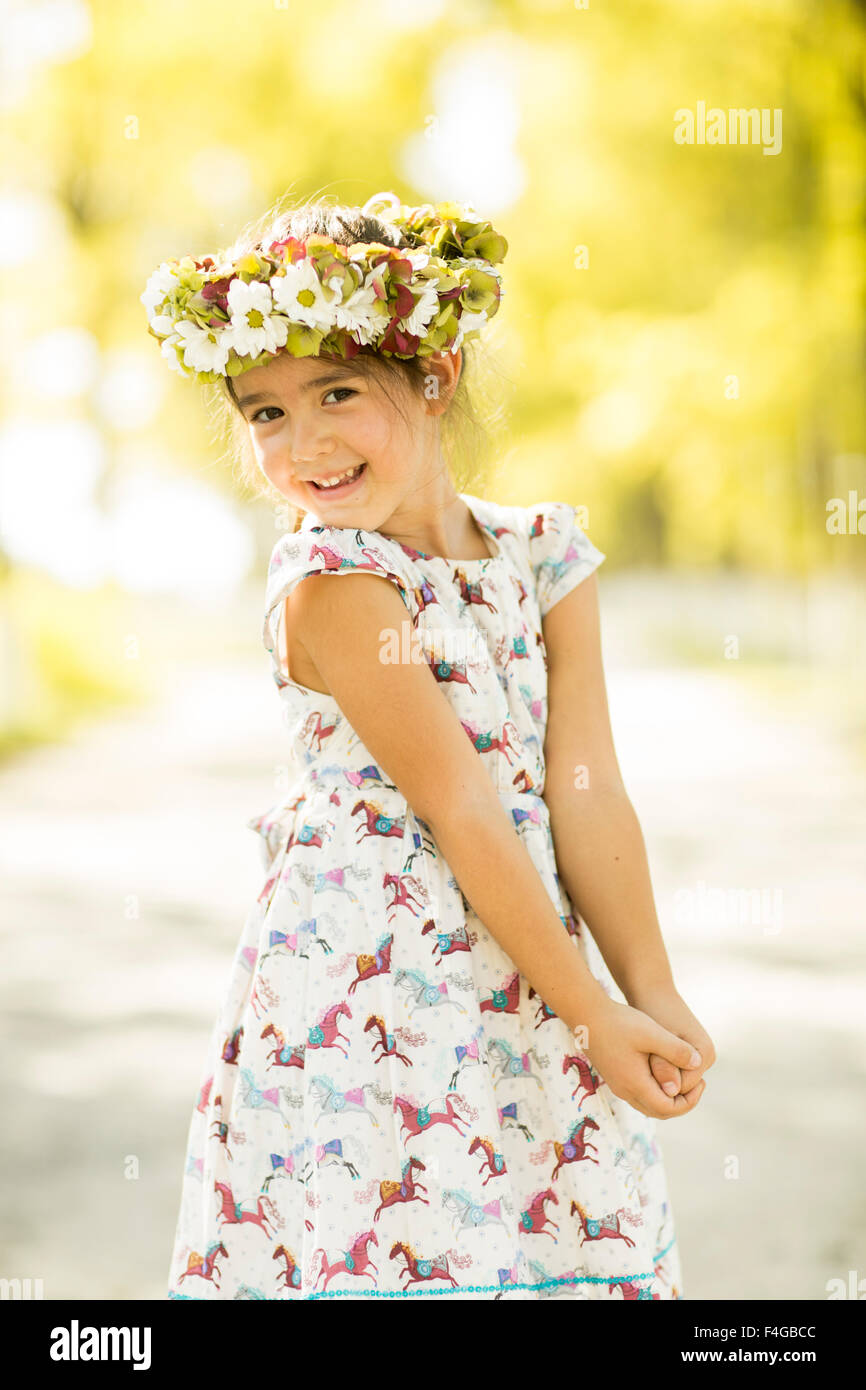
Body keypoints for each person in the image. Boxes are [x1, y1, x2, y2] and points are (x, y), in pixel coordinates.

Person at [142, 190, 715, 1301]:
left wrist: (645, 988)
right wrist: (591, 1009)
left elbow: (584, 789)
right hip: (373, 997)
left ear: (435, 378)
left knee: (543, 1240)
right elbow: (460, 809)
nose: (301, 443)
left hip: (526, 972)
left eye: (337, 393)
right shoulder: (337, 587)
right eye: (262, 413)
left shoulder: (541, 555)